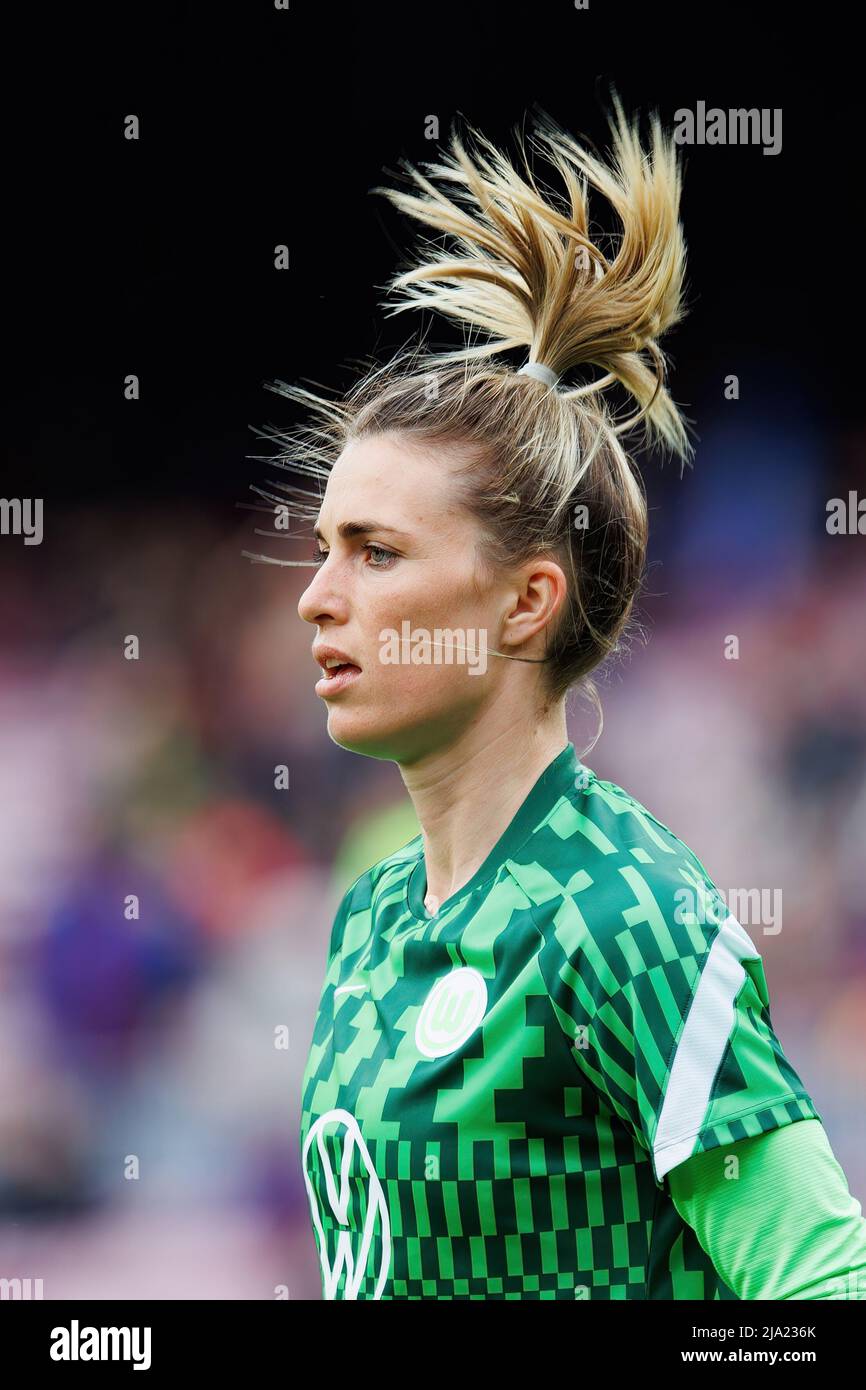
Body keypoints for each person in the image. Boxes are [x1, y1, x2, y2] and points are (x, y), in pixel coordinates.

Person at [273, 94, 866, 1299]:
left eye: (376, 552)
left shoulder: (624, 914)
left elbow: (817, 1282)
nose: (316, 597)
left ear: (525, 602)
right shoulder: (370, 915)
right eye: (324, 546)